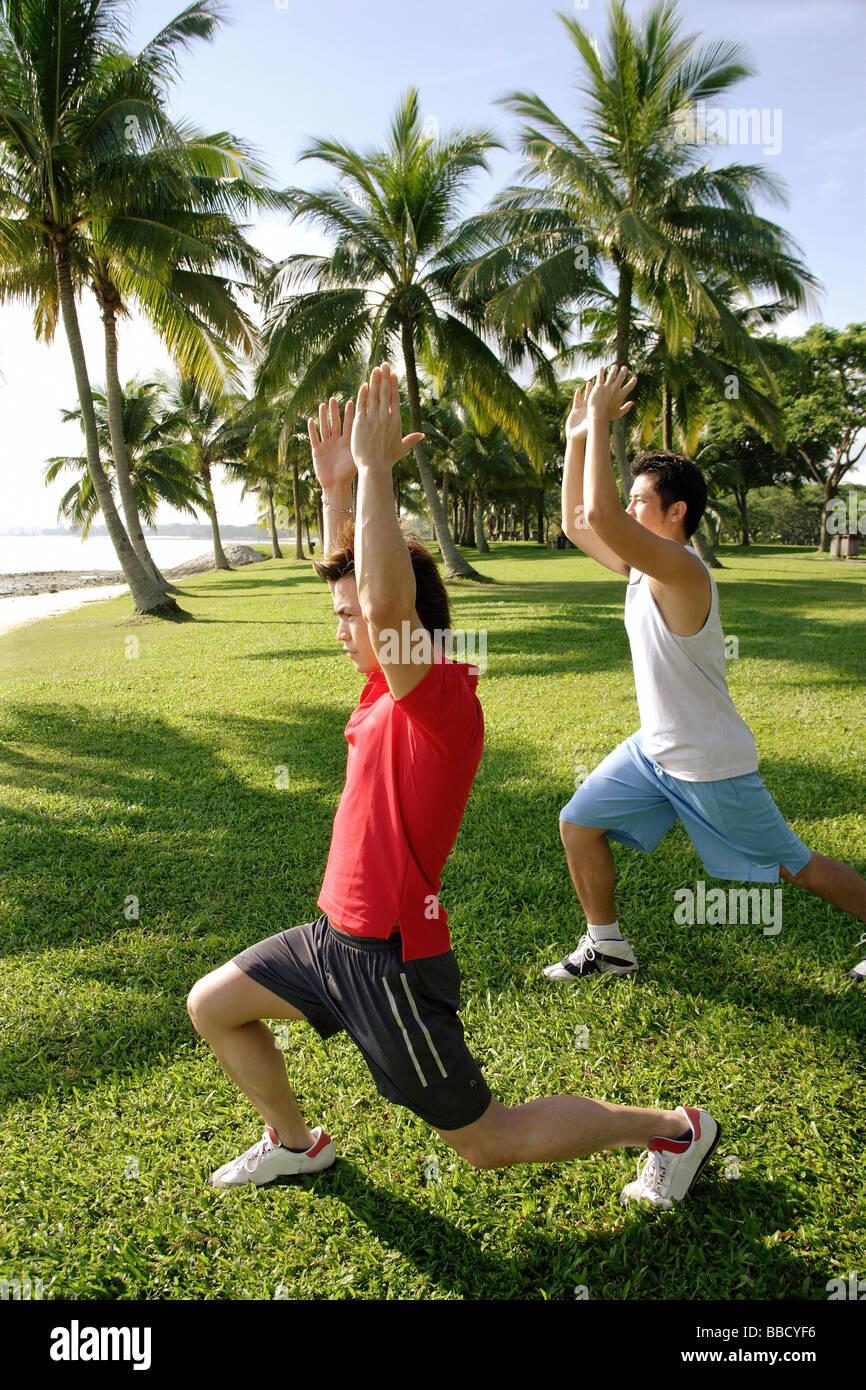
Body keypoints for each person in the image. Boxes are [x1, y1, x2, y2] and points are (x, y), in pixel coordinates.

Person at [186, 363, 719, 1209]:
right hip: (331, 938)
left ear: (409, 618)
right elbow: (361, 587)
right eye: (338, 621)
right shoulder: (379, 680)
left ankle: (674, 1127)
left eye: (350, 621)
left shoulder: (439, 696)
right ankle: (296, 1144)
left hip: (391, 958)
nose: (342, 633)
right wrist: (339, 488)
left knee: (485, 1142)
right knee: (213, 1004)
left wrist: (376, 473)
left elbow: (386, 610)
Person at [545, 365, 866, 985]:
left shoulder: (683, 571)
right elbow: (578, 525)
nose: (629, 506)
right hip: (654, 750)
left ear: (677, 511)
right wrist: (578, 436)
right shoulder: (644, 566)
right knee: (578, 822)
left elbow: (603, 518)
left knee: (793, 866)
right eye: (632, 497)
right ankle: (607, 946)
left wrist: (602, 429)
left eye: (640, 499)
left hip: (709, 762)